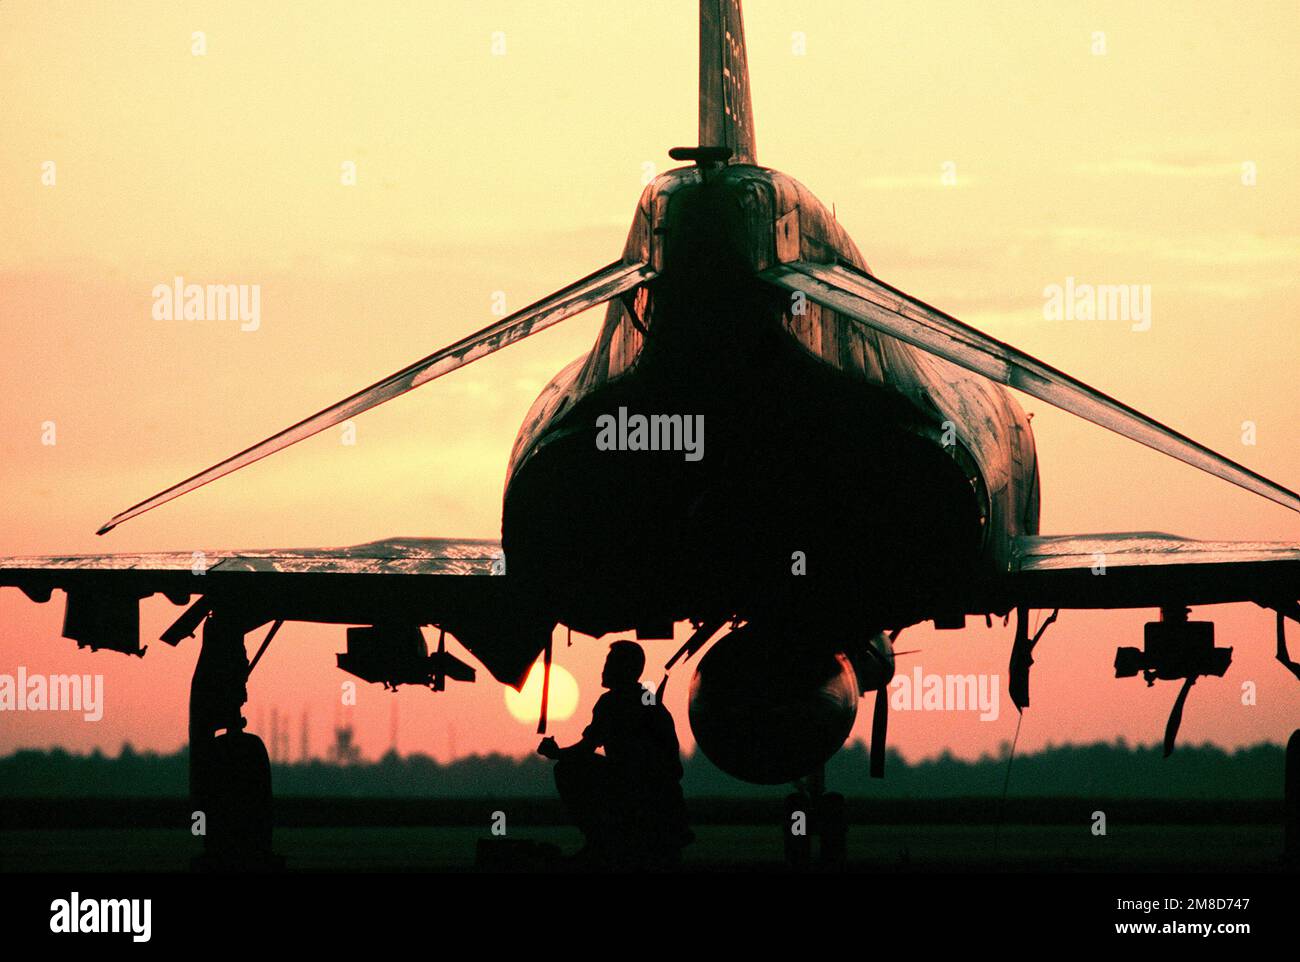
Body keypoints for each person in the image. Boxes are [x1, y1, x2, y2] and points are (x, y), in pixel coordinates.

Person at [538, 640, 691, 867]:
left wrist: (557, 753)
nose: (604, 669)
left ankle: (599, 841)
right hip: (660, 795)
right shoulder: (650, 704)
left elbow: (586, 748)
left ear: (624, 668)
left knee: (567, 770)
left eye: (610, 663)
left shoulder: (612, 704)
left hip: (638, 791)